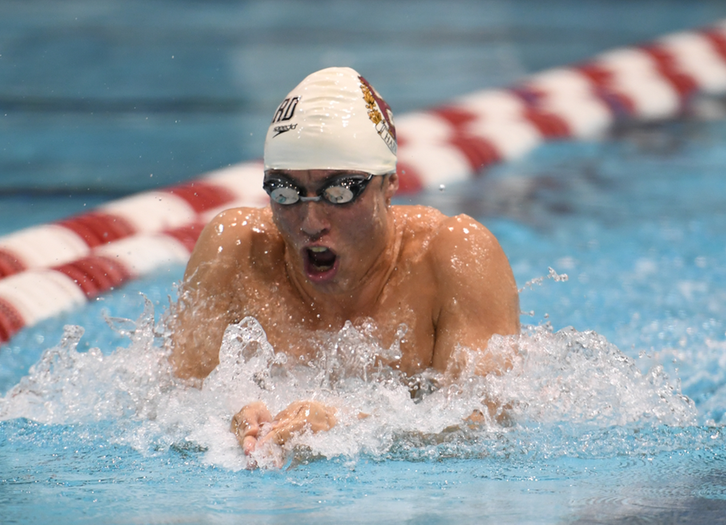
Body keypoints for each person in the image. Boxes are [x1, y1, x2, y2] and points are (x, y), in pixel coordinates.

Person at [168, 67, 520, 457]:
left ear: (389, 183)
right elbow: (171, 404)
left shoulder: (452, 257)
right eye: (285, 193)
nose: (311, 222)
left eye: (338, 192)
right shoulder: (235, 251)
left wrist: (347, 422)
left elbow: (486, 428)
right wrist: (226, 418)